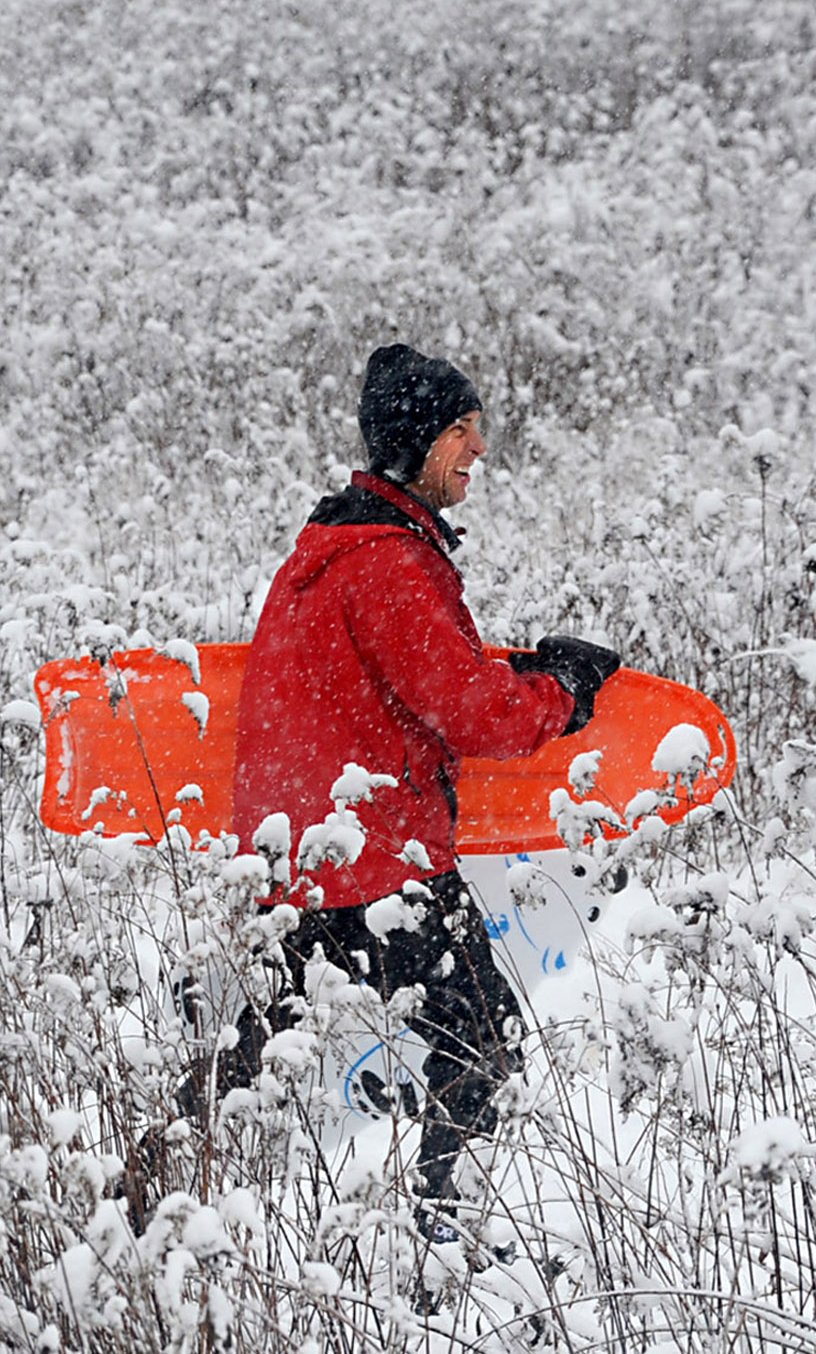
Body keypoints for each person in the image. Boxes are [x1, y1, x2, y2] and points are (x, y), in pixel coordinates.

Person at [225, 342, 619, 1230]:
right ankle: (445, 1248)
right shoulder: (390, 564)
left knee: (246, 1066)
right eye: (461, 431)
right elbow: (471, 713)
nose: (479, 449)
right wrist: (564, 691)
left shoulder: (322, 550)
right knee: (484, 1046)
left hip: (295, 863)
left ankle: (144, 1214)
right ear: (416, 444)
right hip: (378, 864)